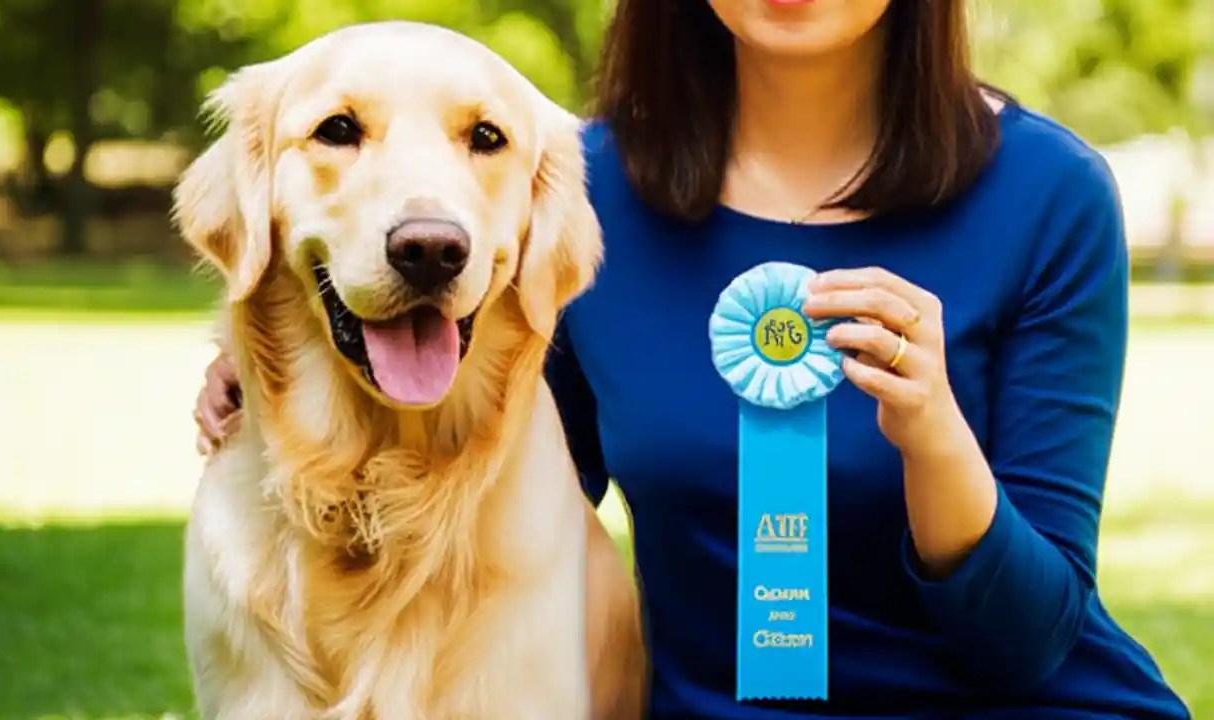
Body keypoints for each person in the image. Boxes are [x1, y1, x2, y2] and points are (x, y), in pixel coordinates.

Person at [192, 1, 1192, 718]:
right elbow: (517, 470)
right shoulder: (579, 195)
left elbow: (1030, 643)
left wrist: (932, 441)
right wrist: (288, 374)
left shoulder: (1046, 194)